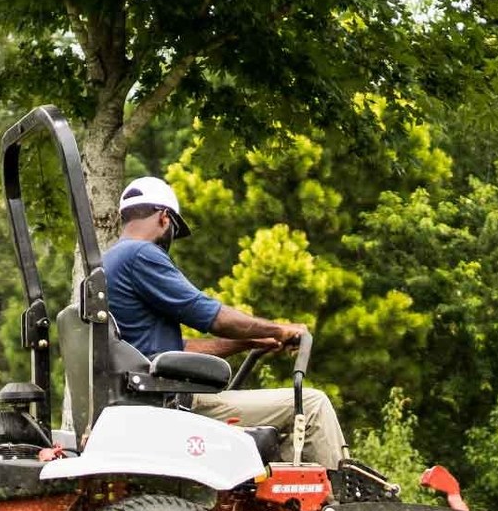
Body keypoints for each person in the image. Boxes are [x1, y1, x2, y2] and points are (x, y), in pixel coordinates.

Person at [102, 175, 350, 467]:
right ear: (164, 218)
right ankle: (341, 496)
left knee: (281, 436)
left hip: (141, 397)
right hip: (169, 401)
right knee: (312, 405)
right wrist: (280, 330)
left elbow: (175, 351)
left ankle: (280, 493)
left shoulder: (108, 263)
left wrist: (248, 341)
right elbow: (210, 315)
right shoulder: (141, 254)